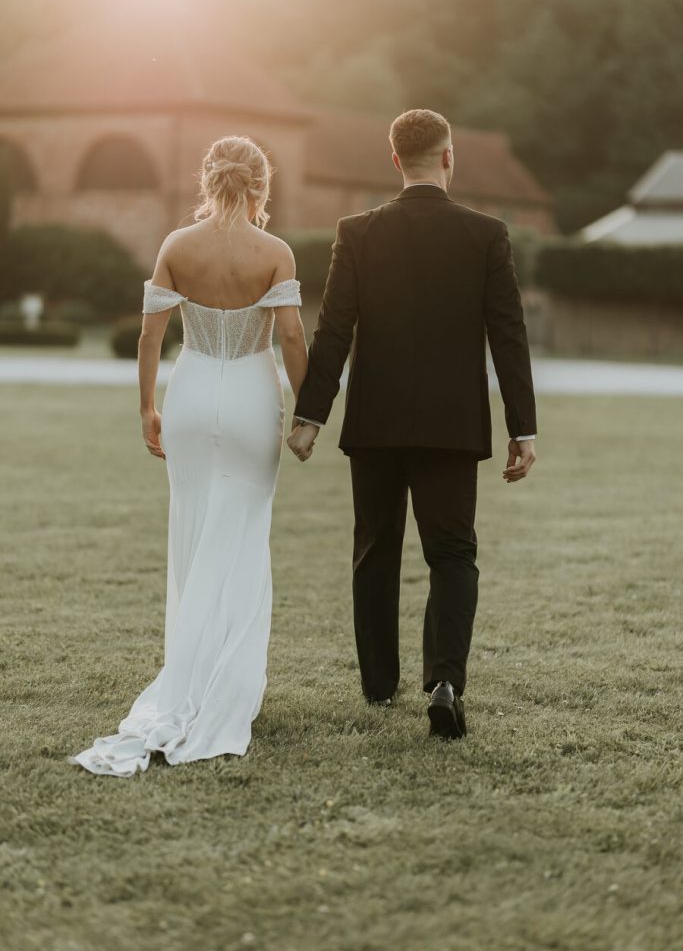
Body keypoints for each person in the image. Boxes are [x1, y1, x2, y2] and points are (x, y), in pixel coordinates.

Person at [288, 108, 537, 739]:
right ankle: (445, 680)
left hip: (375, 421)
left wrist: (310, 416)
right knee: (453, 555)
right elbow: (508, 335)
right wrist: (522, 427)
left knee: (375, 550)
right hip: (452, 427)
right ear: (449, 158)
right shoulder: (487, 234)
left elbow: (334, 327)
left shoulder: (357, 231)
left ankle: (378, 685)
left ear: (395, 161)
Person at [69, 136, 307, 776]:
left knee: (195, 531)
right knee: (243, 535)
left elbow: (152, 333)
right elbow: (288, 334)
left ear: (208, 180)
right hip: (253, 398)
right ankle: (223, 684)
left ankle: (193, 675)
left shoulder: (177, 246)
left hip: (192, 394)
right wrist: (309, 411)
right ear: (262, 184)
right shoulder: (275, 253)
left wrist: (147, 407)